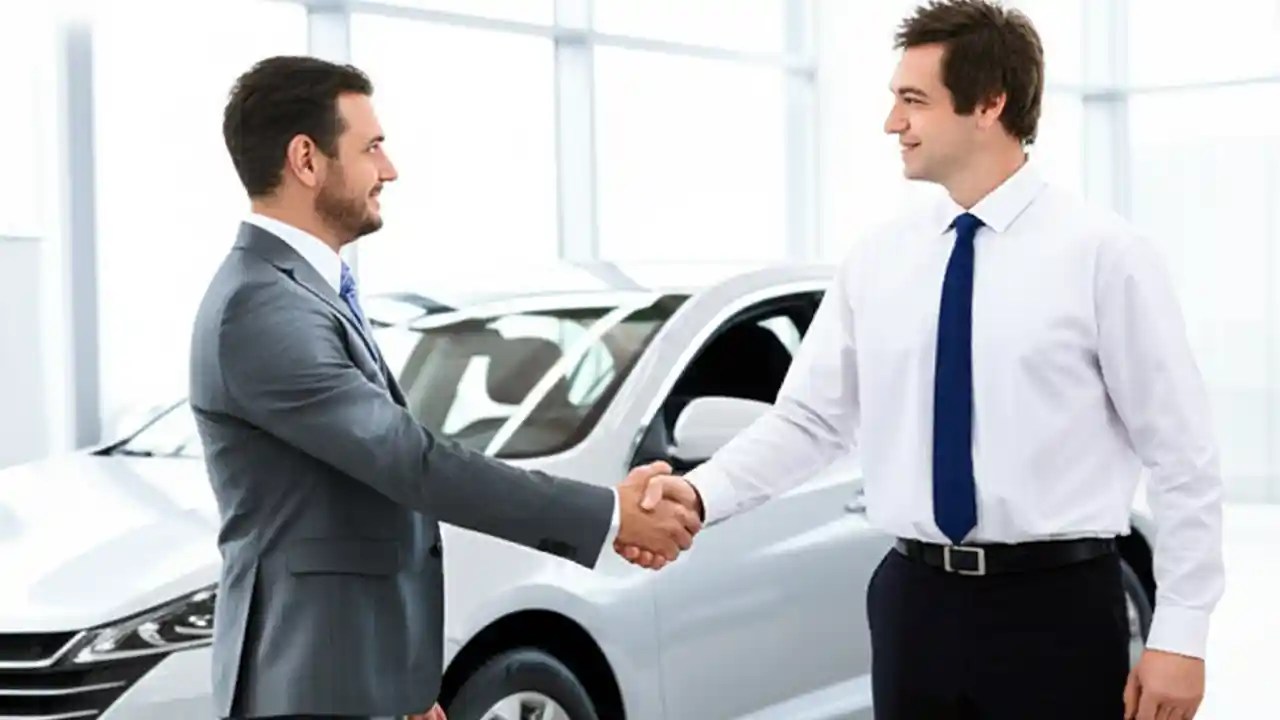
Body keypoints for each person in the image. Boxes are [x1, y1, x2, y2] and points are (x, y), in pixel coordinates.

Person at [618, 2, 1224, 719]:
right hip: (915, 603)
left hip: (1056, 609)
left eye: (914, 101)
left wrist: (1181, 633)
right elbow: (810, 421)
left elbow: (1182, 454)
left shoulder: (1105, 255)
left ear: (989, 103)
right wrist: (701, 493)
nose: (891, 123)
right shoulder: (878, 260)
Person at [190, 55, 701, 720]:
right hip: (307, 682)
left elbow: (353, 504)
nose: (390, 169)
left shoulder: (297, 292)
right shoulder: (264, 306)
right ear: (306, 160)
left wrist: (399, 688)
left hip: (346, 677)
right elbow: (409, 462)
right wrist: (609, 514)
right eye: (371, 147)